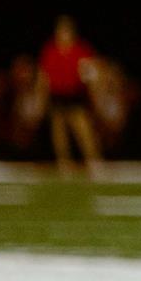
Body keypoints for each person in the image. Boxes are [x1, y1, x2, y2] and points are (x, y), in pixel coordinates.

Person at [37, 16, 100, 176]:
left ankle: (94, 161)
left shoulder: (81, 50)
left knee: (83, 128)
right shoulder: (50, 50)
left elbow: (90, 74)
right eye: (60, 31)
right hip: (57, 96)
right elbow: (43, 76)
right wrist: (40, 98)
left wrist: (94, 93)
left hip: (75, 96)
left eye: (66, 32)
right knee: (58, 131)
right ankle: (64, 163)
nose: (63, 35)